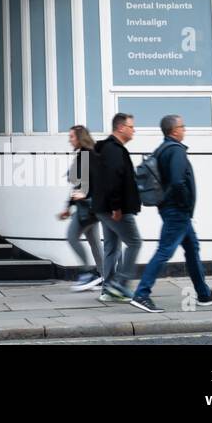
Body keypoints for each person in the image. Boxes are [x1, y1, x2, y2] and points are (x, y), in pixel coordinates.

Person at [130, 115, 212, 313]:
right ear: (174, 130)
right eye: (182, 126)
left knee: (192, 248)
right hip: (177, 211)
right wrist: (185, 204)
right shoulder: (175, 151)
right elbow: (177, 181)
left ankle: (203, 293)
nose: (185, 129)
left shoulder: (162, 149)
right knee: (164, 251)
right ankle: (141, 294)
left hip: (172, 209)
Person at [92, 112, 142, 301]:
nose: (133, 130)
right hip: (115, 210)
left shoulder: (106, 148)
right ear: (121, 128)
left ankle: (107, 290)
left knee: (112, 247)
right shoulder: (114, 150)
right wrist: (116, 207)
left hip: (104, 208)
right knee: (135, 242)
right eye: (131, 127)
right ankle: (119, 285)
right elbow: (113, 180)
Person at [59, 125, 104, 291]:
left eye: (71, 136)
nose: (69, 140)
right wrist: (68, 207)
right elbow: (82, 184)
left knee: (72, 236)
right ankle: (104, 276)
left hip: (87, 208)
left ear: (79, 137)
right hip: (92, 207)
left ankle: (88, 273)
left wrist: (77, 199)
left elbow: (83, 185)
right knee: (94, 242)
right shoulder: (88, 154)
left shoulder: (86, 155)